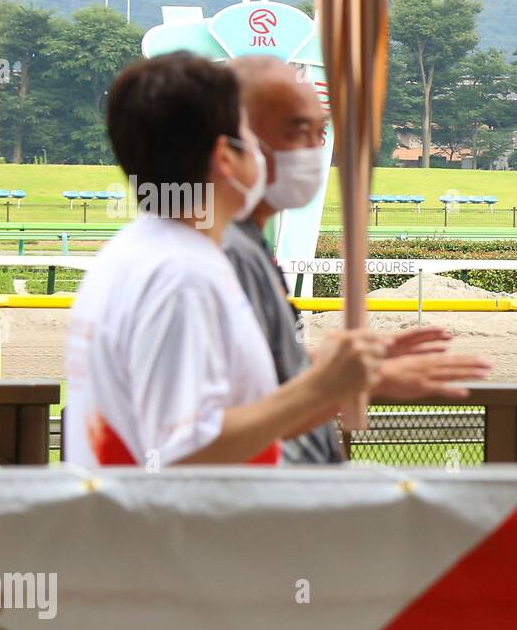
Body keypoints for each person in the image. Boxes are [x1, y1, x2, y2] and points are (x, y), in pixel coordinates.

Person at [64, 52, 484, 468]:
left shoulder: (144, 251)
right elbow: (185, 454)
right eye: (250, 137)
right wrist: (321, 388)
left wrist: (339, 375)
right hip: (188, 531)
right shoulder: (183, 276)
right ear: (226, 156)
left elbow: (234, 411)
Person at [223, 54, 483, 463]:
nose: (314, 149)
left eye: (321, 131)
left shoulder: (247, 244)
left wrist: (349, 369)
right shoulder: (220, 256)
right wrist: (342, 385)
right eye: (297, 131)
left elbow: (259, 374)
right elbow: (206, 430)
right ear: (234, 141)